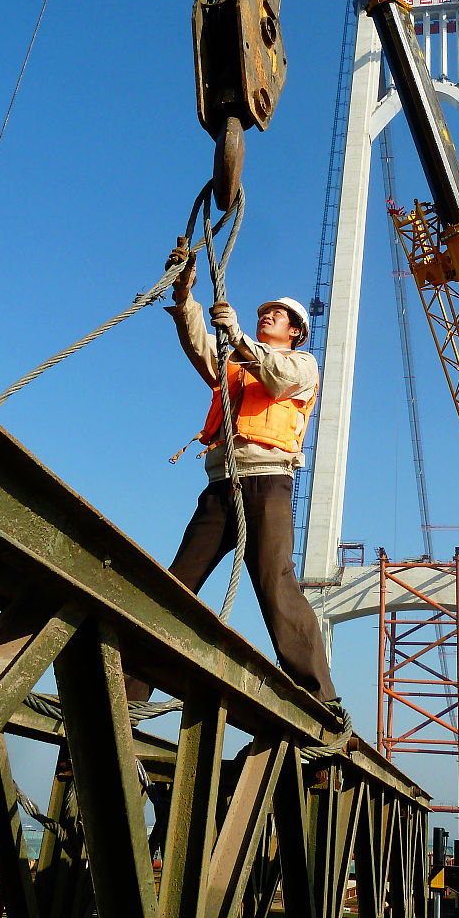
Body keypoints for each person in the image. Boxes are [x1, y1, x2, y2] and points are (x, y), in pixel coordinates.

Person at [126, 243, 337, 705]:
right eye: (265, 313)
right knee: (177, 584)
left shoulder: (302, 365)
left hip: (267, 483)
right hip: (220, 486)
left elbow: (277, 376)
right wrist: (185, 294)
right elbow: (201, 344)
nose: (268, 317)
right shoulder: (235, 364)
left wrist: (239, 335)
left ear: (296, 332)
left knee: (275, 582)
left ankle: (320, 698)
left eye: (277, 316)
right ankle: (129, 693)